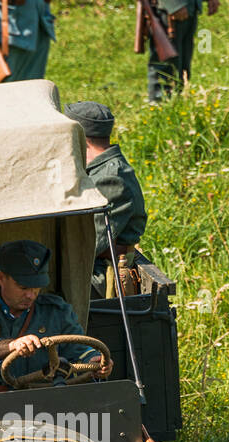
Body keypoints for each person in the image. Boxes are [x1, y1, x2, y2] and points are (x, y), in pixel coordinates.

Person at [0, 240, 112, 393]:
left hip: (45, 402)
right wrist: (12, 346)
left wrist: (93, 360)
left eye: (36, 288)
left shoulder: (56, 310)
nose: (31, 295)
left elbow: (77, 349)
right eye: (23, 287)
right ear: (1, 278)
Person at [65, 102, 147, 299]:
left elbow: (87, 244)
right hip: (88, 268)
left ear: (78, 138)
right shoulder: (97, 169)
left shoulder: (112, 177)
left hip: (98, 276)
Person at [148, 0, 220, 103]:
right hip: (170, 10)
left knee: (182, 68)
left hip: (189, 7)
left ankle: (177, 110)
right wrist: (173, 4)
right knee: (166, 68)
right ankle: (160, 110)